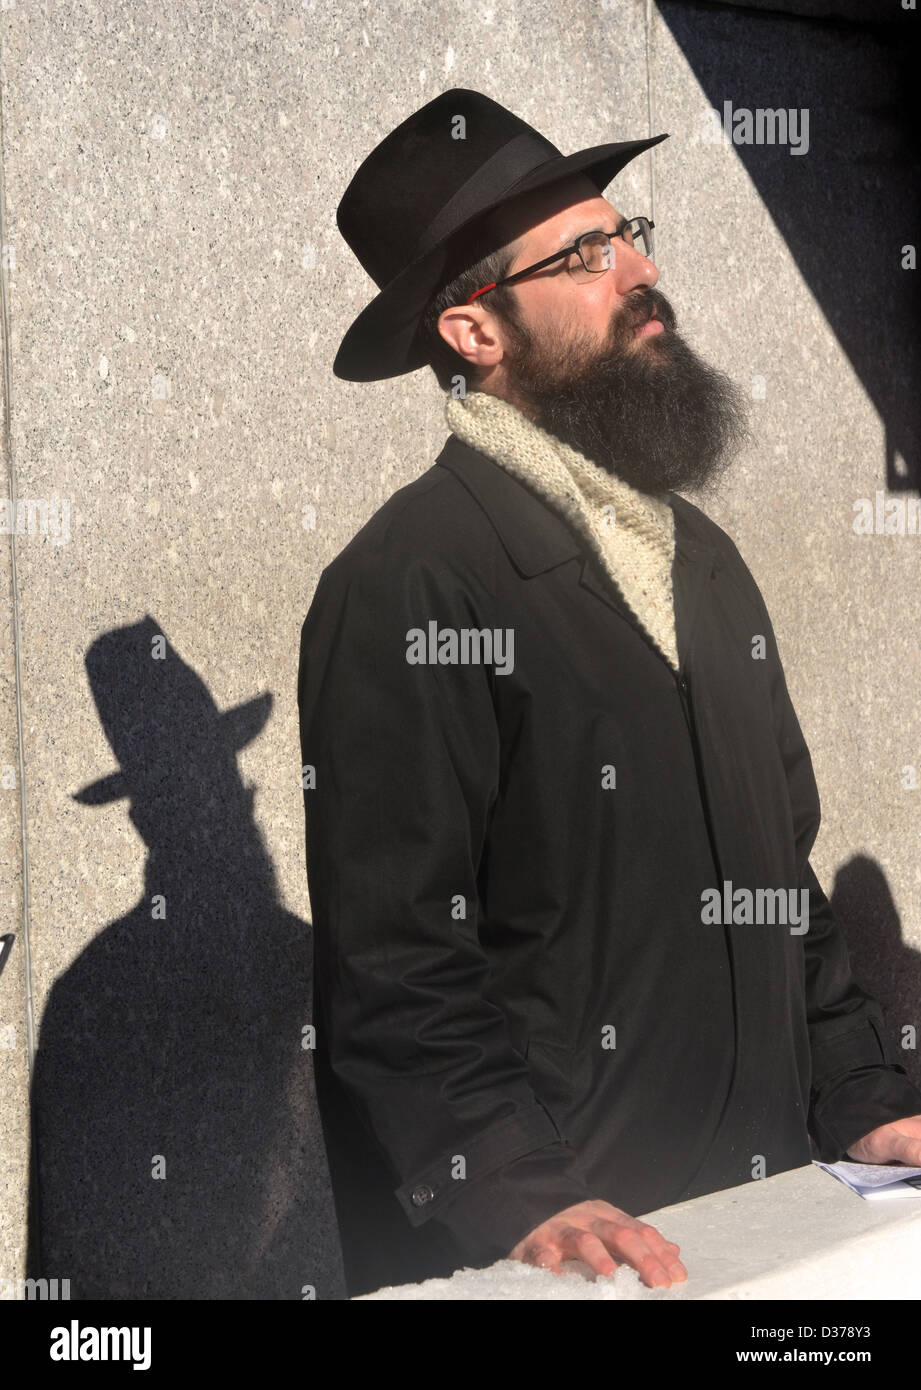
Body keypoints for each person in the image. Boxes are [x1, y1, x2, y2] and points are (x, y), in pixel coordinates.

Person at [297, 88, 921, 1299]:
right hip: (570, 1256)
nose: (637, 268)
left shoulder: (705, 561)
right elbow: (398, 960)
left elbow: (780, 882)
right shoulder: (410, 582)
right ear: (474, 332)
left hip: (772, 1227)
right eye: (583, 254)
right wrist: (525, 1196)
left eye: (626, 230)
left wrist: (861, 1098)